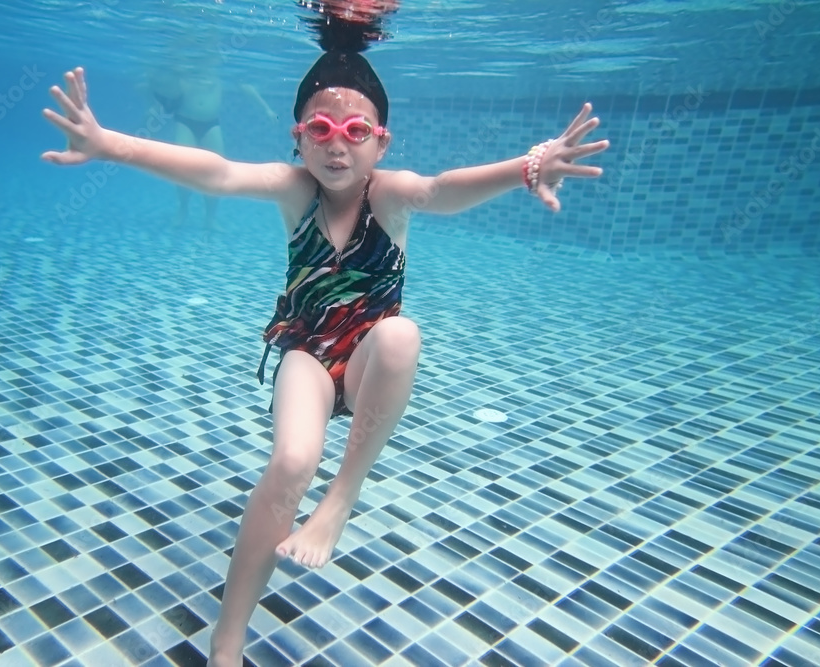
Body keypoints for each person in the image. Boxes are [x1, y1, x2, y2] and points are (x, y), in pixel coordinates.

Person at [41, 8, 608, 666]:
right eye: (321, 129)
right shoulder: (294, 189)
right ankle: (227, 639)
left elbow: (443, 189)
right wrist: (111, 144)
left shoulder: (391, 193)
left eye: (354, 131)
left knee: (400, 336)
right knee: (288, 464)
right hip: (309, 358)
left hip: (369, 365)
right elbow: (216, 172)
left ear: (381, 141)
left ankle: (340, 500)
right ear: (300, 136)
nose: (337, 146)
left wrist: (527, 166)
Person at [145, 53, 279, 227]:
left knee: (216, 172)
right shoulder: (185, 75)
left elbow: (245, 87)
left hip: (211, 124)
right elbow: (170, 93)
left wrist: (266, 109)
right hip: (185, 122)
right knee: (181, 169)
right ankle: (183, 208)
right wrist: (154, 108)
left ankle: (210, 217)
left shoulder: (218, 74)